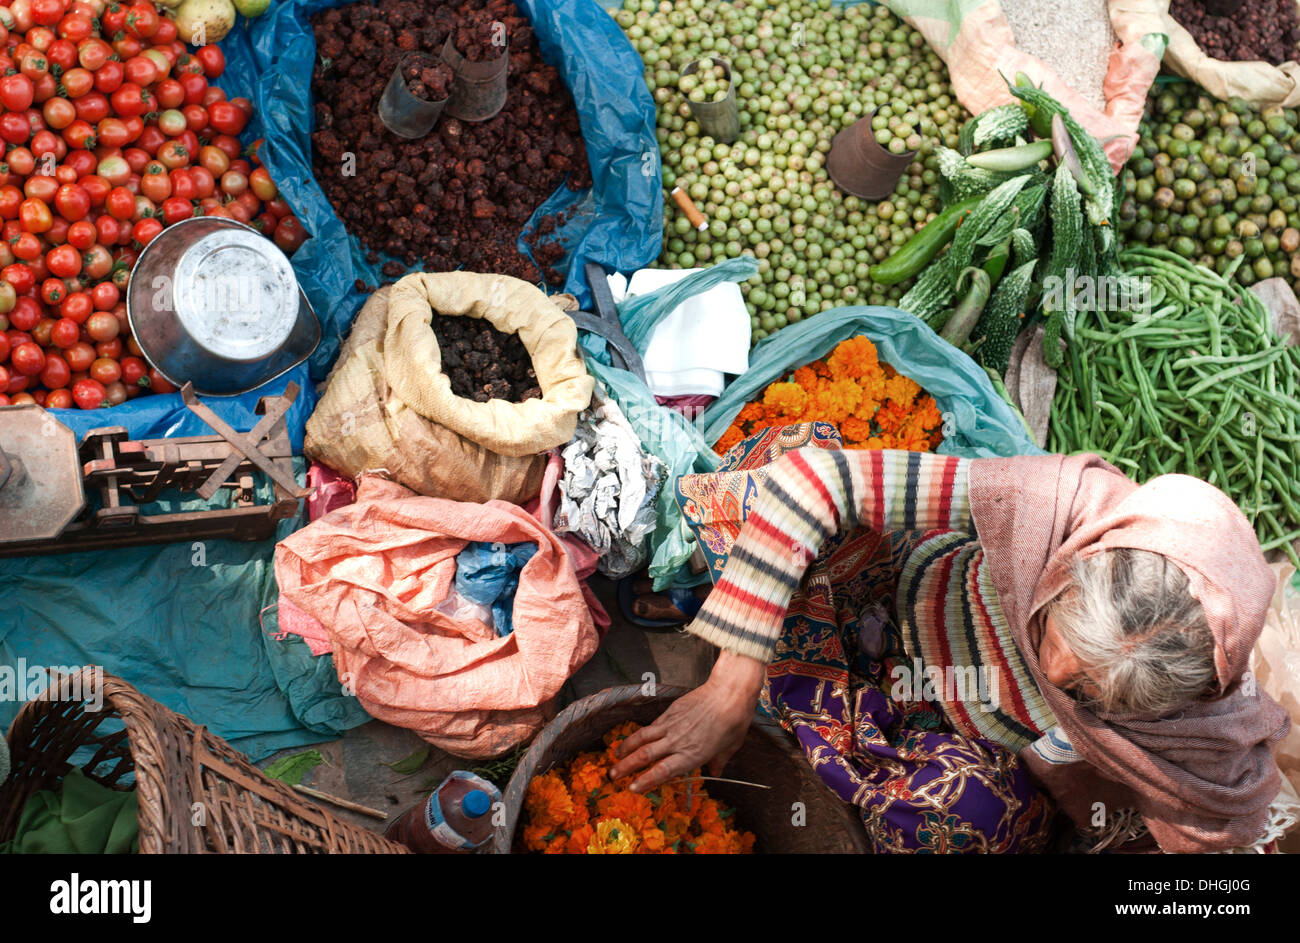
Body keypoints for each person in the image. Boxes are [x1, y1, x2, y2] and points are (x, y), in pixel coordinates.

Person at [610, 442, 1294, 853]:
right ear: (1071, 563)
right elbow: (814, 481)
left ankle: (806, 702)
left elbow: (1221, 845)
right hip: (887, 596)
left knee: (963, 820)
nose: (1054, 673)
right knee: (768, 479)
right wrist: (732, 681)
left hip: (955, 733)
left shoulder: (1203, 724)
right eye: (1053, 633)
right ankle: (755, 674)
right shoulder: (1055, 506)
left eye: (1085, 690)